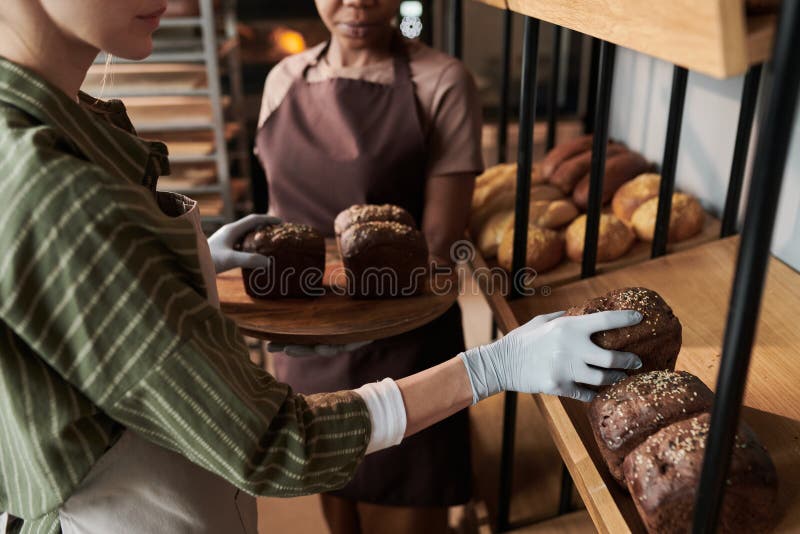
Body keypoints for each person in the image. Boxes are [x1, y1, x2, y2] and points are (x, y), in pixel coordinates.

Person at [0, 1, 643, 533]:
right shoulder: (57, 187)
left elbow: (79, 320)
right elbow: (276, 444)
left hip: (399, 347)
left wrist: (185, 265)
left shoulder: (68, 127)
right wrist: (498, 363)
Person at [255, 0, 483, 530]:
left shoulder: (442, 81)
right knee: (336, 503)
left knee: (398, 513)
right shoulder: (283, 78)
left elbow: (438, 246)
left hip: (402, 348)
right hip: (307, 347)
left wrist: (345, 310)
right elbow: (277, 217)